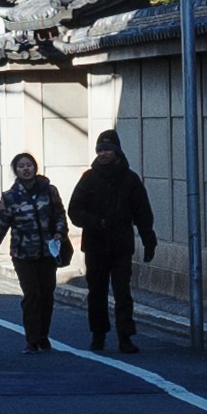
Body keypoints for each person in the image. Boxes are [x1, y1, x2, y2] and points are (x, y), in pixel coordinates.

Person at [67, 128, 157, 353]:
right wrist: (94, 221)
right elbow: (74, 210)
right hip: (95, 245)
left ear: (117, 151)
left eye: (108, 149)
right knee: (96, 293)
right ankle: (98, 335)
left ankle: (125, 337)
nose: (103, 153)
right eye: (100, 150)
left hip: (121, 245)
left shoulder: (130, 179)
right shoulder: (89, 178)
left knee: (122, 293)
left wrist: (149, 240)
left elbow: (143, 213)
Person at [0, 149, 71, 354]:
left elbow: (60, 215)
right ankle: (32, 340)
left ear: (35, 167)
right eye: (21, 166)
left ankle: (43, 336)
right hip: (23, 254)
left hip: (48, 252)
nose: (26, 169)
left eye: (29, 165)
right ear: (16, 171)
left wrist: (59, 233)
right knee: (32, 295)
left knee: (47, 295)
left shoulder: (49, 191)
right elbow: (1, 224)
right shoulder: (10, 197)